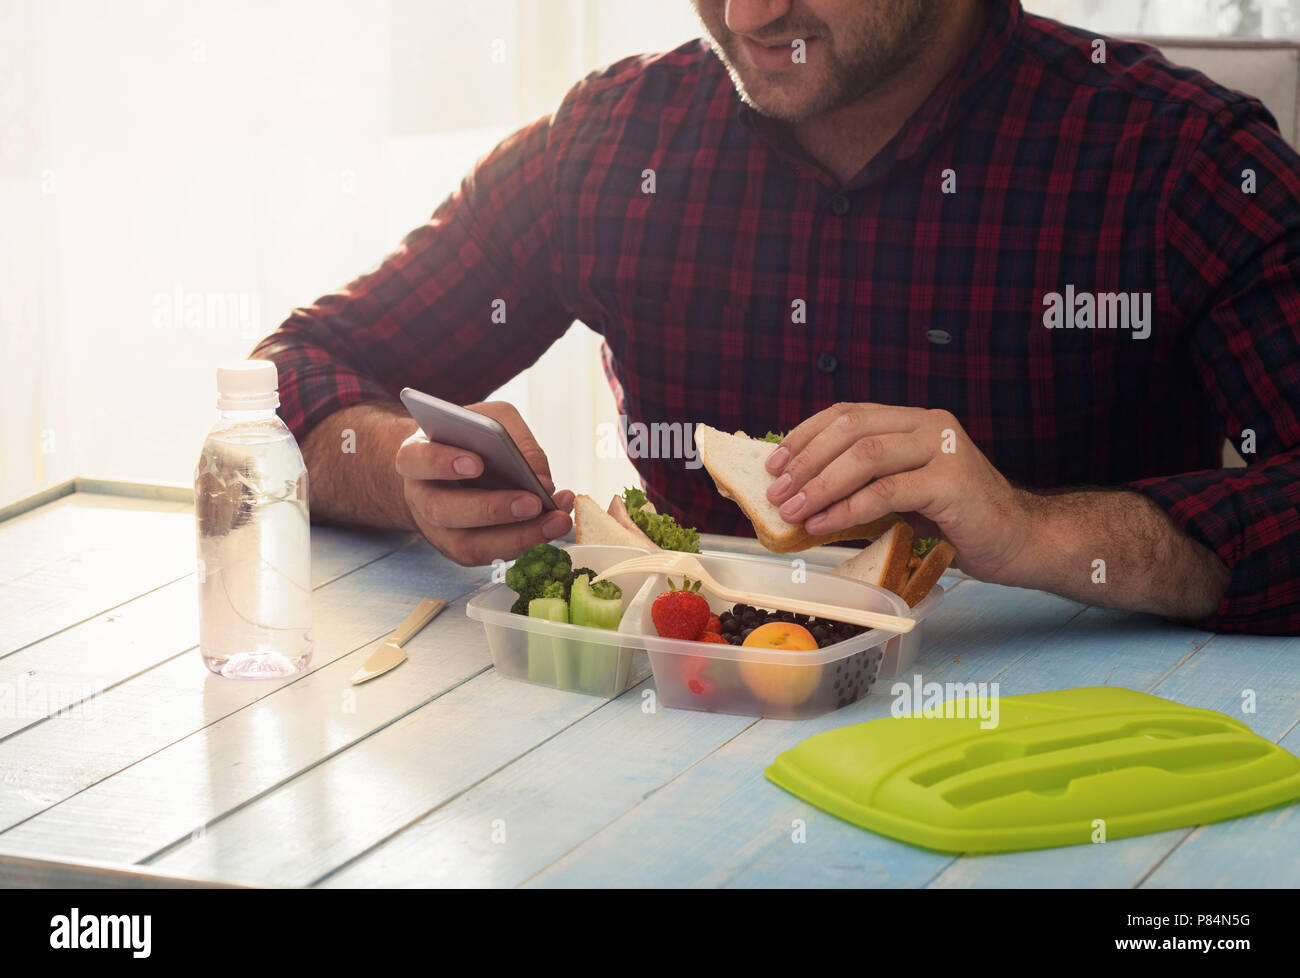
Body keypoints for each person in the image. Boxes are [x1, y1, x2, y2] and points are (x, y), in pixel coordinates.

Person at [252, 0, 1300, 635]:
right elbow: (297, 372)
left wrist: (1037, 531)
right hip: (667, 752)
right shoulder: (609, 145)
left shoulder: (1179, 159)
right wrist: (403, 473)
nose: (748, 17)